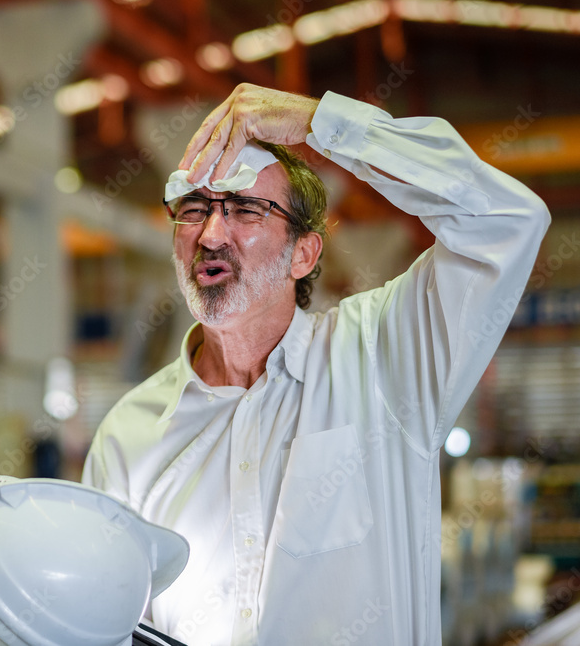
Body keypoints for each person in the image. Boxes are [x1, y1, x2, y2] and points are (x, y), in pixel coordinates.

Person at [82, 84, 550, 645]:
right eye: (194, 209)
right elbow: (104, 621)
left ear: (304, 253)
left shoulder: (383, 354)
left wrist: (320, 124)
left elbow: (507, 219)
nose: (209, 234)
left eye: (245, 209)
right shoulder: (129, 434)